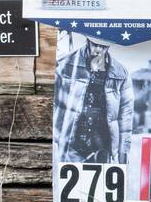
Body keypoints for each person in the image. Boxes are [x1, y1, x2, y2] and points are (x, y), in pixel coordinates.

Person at [54, 36, 135, 164]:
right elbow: (52, 103)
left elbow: (126, 115)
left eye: (103, 46)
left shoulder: (121, 73)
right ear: (87, 41)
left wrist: (123, 152)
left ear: (109, 46)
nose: (98, 49)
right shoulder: (64, 64)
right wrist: (57, 138)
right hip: (71, 146)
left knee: (102, 183)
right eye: (95, 44)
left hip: (103, 146)